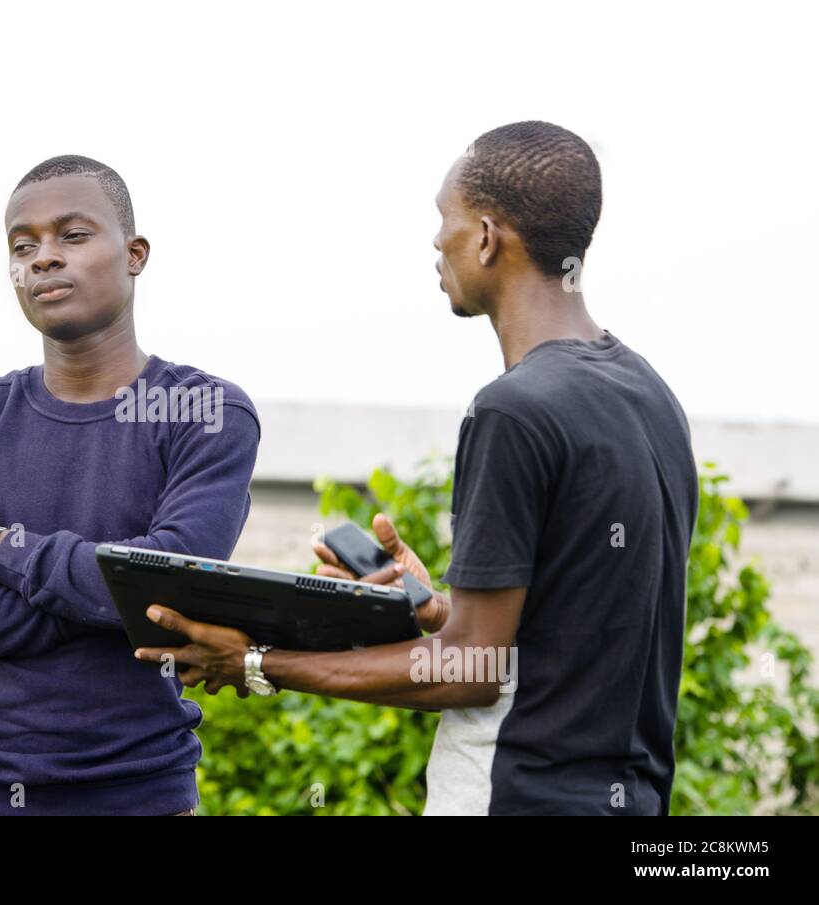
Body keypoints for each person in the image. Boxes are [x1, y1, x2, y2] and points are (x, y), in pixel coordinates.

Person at [135, 122, 699, 815]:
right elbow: (568, 625)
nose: (437, 241)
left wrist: (257, 661)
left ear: (488, 237)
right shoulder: (650, 394)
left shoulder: (514, 410)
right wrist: (441, 609)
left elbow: (472, 669)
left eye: (446, 219)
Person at [0, 155, 260, 815]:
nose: (43, 258)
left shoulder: (206, 410)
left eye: (72, 236)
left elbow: (165, 586)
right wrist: (90, 608)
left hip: (144, 794)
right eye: (23, 246)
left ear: (135, 253)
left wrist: (1, 553)